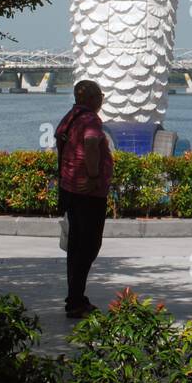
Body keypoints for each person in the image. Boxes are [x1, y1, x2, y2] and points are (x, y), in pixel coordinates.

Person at [56, 80, 114, 319]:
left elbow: (61, 144)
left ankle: (75, 296)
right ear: (91, 98)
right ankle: (76, 301)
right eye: (100, 95)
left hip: (70, 189)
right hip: (88, 193)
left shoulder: (70, 117)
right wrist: (93, 175)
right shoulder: (90, 119)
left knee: (76, 246)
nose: (102, 99)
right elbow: (91, 143)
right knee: (88, 246)